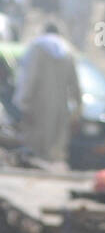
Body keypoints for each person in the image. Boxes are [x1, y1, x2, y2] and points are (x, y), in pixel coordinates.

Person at [13, 23, 81, 162]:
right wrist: (77, 111)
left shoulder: (37, 48)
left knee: (35, 151)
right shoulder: (68, 50)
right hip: (60, 109)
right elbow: (75, 85)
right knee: (53, 152)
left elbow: (28, 79)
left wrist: (23, 104)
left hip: (37, 107)